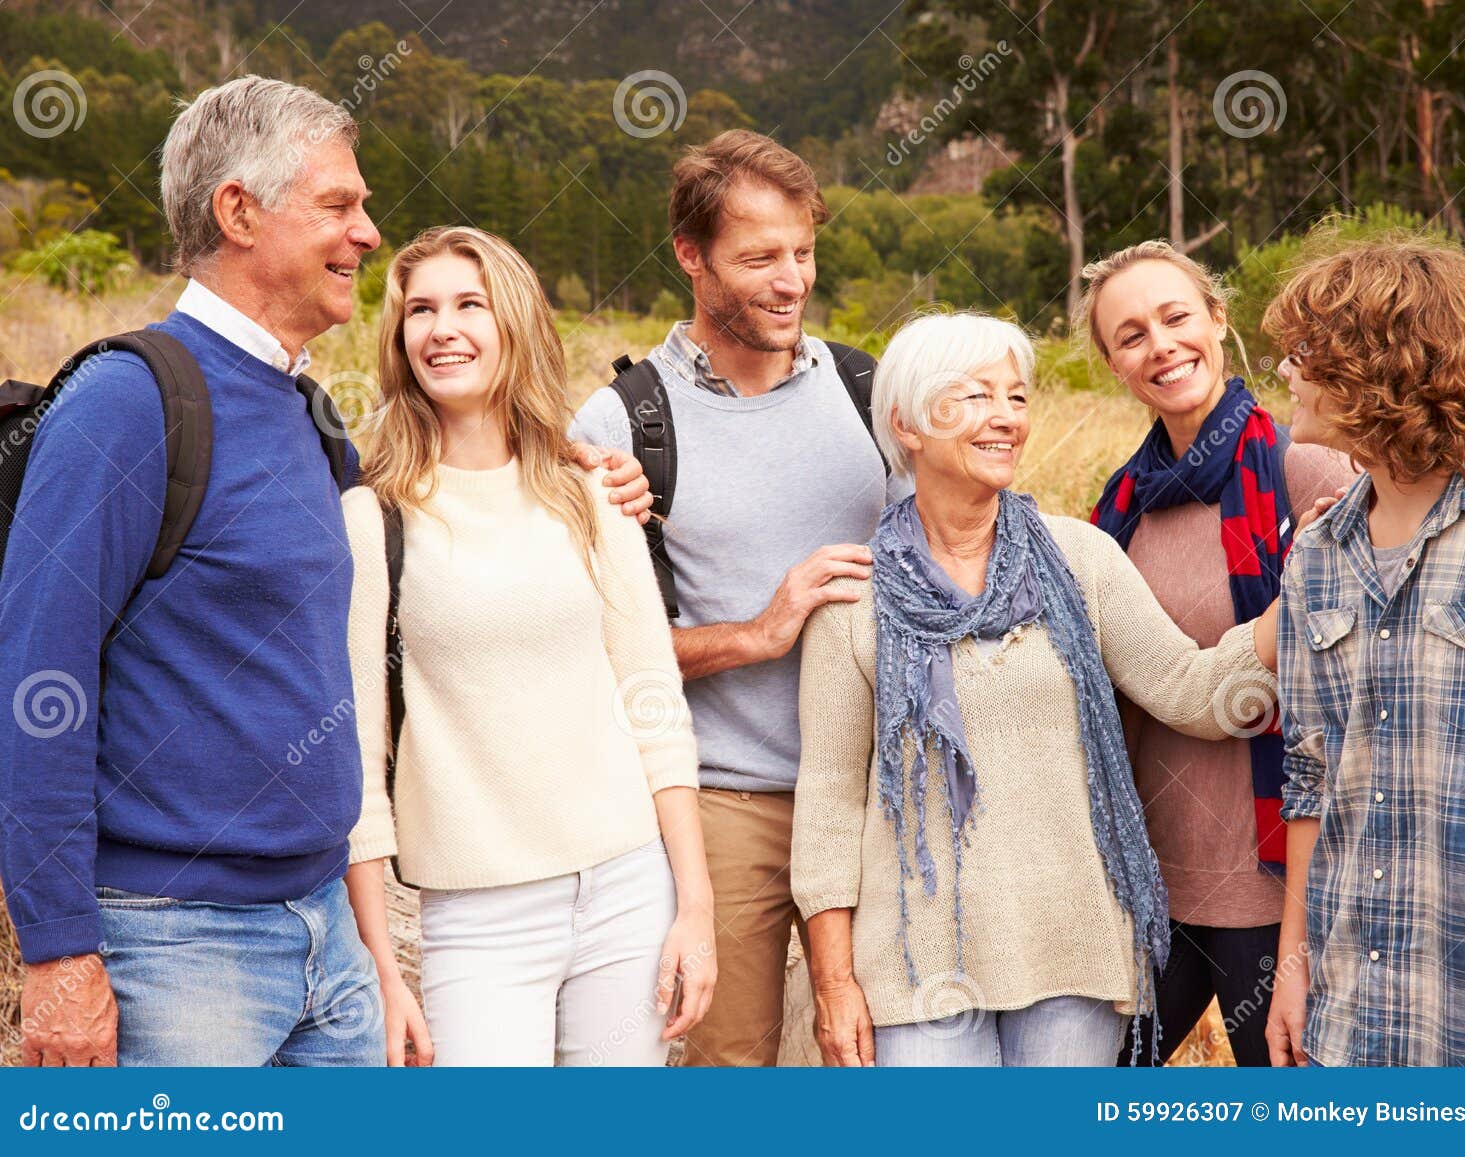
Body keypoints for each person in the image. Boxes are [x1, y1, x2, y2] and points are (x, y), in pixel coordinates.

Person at [0, 76, 651, 1068]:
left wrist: (567, 461)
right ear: (239, 211)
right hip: (174, 949)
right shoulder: (127, 403)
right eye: (341, 205)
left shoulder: (310, 414)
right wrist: (55, 955)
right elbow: (33, 685)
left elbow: (435, 488)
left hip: (326, 941)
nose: (368, 233)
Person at [1076, 240, 1465, 1067]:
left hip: (1400, 948)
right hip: (1198, 897)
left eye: (1176, 317)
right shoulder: (1129, 503)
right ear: (1109, 361)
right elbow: (1311, 765)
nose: (1161, 344)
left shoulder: (1326, 473)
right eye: (1130, 334)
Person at [790, 311, 1283, 1067]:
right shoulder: (855, 597)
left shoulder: (1080, 558)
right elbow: (827, 804)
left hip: (1071, 952)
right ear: (907, 424)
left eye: (1017, 398)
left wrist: (1300, 601)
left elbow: (1188, 688)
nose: (1005, 418)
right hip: (916, 964)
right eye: (976, 396)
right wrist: (833, 981)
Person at [569, 130, 906, 1066]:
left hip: (876, 795)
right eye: (759, 256)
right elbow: (592, 655)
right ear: (690, 255)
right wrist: (759, 632)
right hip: (724, 803)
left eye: (802, 252)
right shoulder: (621, 424)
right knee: (732, 1071)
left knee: (894, 1056)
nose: (791, 279)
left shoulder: (867, 391)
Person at [340, 226, 713, 1067]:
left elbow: (655, 702)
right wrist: (382, 969)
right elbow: (357, 758)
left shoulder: (588, 495)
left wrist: (695, 904)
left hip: (629, 887)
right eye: (421, 310)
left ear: (514, 324)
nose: (443, 329)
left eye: (470, 304)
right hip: (478, 915)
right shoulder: (374, 519)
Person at [1262, 235, 1465, 1067]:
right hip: (1345, 1024)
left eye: (1304, 353)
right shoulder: (1313, 556)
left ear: (1377, 364)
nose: (1285, 374)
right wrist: (1292, 970)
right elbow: (1307, 780)